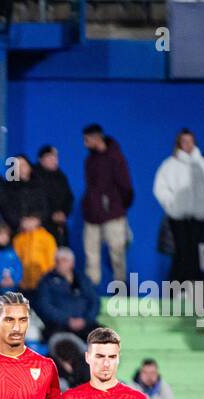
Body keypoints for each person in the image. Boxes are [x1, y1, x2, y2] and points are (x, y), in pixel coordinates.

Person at [153, 129, 204, 283]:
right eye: (184, 141)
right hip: (178, 217)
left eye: (190, 141)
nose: (187, 144)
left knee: (196, 254)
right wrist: (171, 205)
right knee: (180, 252)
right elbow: (160, 188)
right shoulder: (169, 165)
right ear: (179, 144)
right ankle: (175, 293)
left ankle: (195, 294)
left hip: (199, 216)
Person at [81, 124, 134, 288]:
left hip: (113, 215)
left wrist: (116, 206)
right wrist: (89, 204)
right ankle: (91, 296)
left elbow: (126, 186)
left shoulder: (116, 158)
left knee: (117, 254)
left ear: (97, 138)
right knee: (91, 256)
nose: (84, 143)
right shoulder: (89, 160)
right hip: (92, 216)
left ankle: (120, 292)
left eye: (87, 139)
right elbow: (90, 187)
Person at [34, 247, 99, 340]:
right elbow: (45, 306)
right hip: (60, 326)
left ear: (72, 263)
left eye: (64, 260)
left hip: (85, 324)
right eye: (58, 260)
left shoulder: (83, 279)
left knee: (103, 336)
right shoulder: (46, 281)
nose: (60, 263)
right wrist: (67, 320)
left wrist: (86, 320)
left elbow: (94, 301)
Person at [33, 145, 74, 248]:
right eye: (50, 157)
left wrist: (64, 213)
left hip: (59, 226)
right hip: (40, 226)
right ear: (41, 159)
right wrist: (51, 215)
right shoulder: (33, 177)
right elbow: (36, 200)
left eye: (55, 157)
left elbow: (69, 197)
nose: (54, 160)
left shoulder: (61, 176)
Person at [13, 214, 56, 292]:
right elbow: (15, 260)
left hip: (42, 281)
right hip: (24, 283)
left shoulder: (47, 238)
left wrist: (49, 278)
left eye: (31, 219)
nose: (28, 223)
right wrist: (17, 278)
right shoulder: (18, 239)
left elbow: (51, 260)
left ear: (38, 221)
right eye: (25, 219)